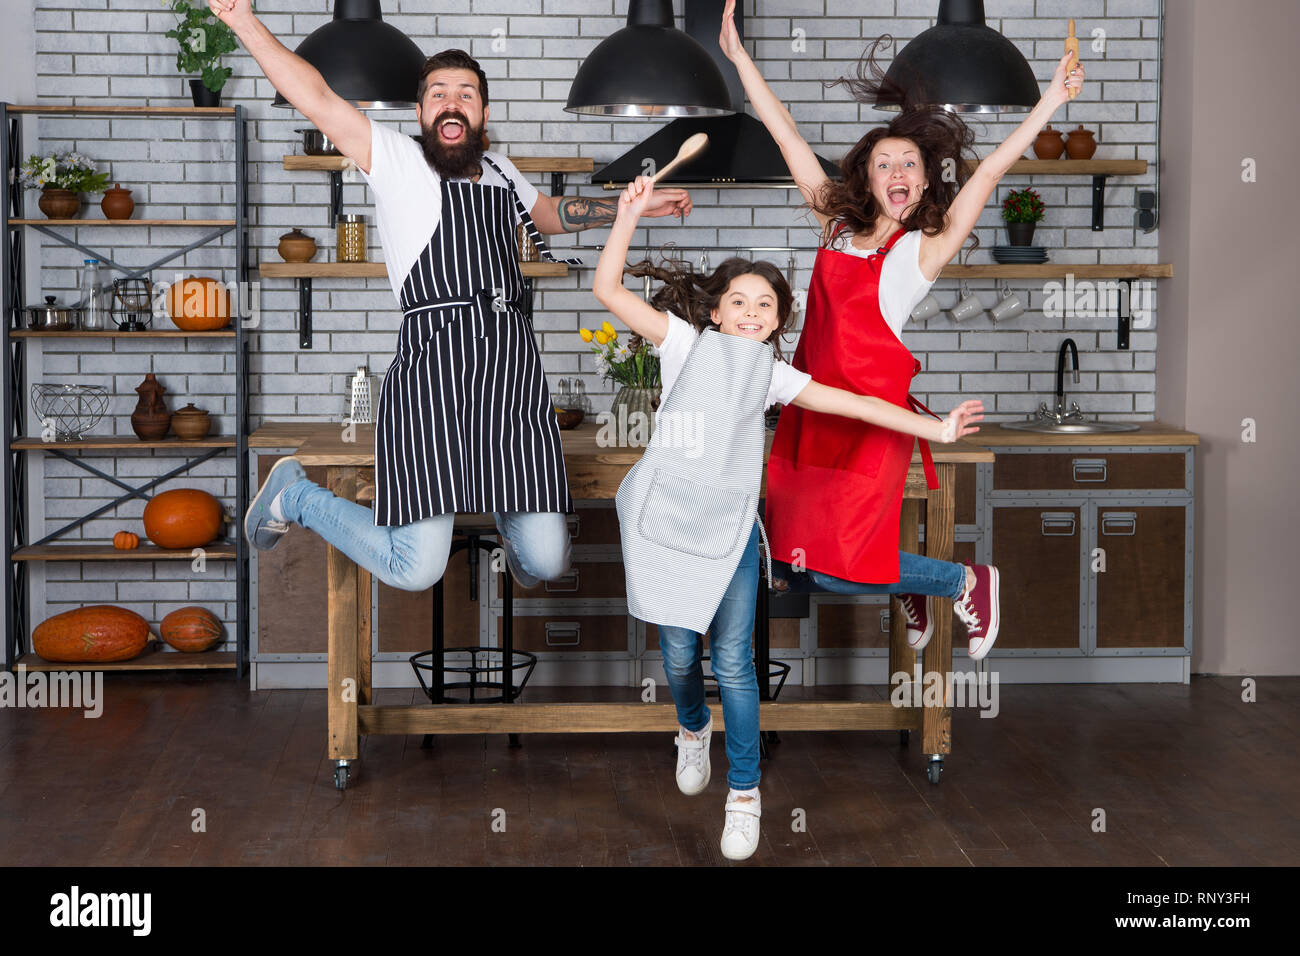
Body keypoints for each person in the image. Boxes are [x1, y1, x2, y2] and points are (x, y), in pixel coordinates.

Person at [208, 0, 692, 591]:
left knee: (545, 562)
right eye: (438, 93)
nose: (451, 102)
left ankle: (514, 523)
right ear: (420, 112)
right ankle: (298, 496)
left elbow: (550, 215)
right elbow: (315, 95)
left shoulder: (501, 172)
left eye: (465, 93)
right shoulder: (397, 161)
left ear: (483, 111)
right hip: (431, 383)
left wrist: (632, 206)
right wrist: (242, 21)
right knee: (417, 568)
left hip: (511, 380)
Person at [594, 174, 984, 861]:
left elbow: (857, 406)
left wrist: (936, 428)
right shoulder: (684, 345)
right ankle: (691, 728)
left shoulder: (779, 378)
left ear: (778, 322)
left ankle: (744, 795)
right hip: (666, 523)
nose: (749, 311)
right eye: (737, 300)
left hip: (732, 531)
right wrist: (626, 217)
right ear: (716, 312)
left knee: (735, 666)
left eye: (764, 304)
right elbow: (609, 291)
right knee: (681, 656)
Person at [718, 0, 1087, 657]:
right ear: (866, 173)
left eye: (910, 166)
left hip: (870, 423)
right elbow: (786, 137)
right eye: (884, 163)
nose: (896, 173)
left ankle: (963, 579)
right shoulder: (835, 227)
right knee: (795, 561)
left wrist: (1053, 99)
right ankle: (912, 586)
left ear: (924, 184)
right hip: (812, 411)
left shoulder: (925, 248)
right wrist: (740, 60)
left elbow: (995, 169)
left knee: (839, 562)